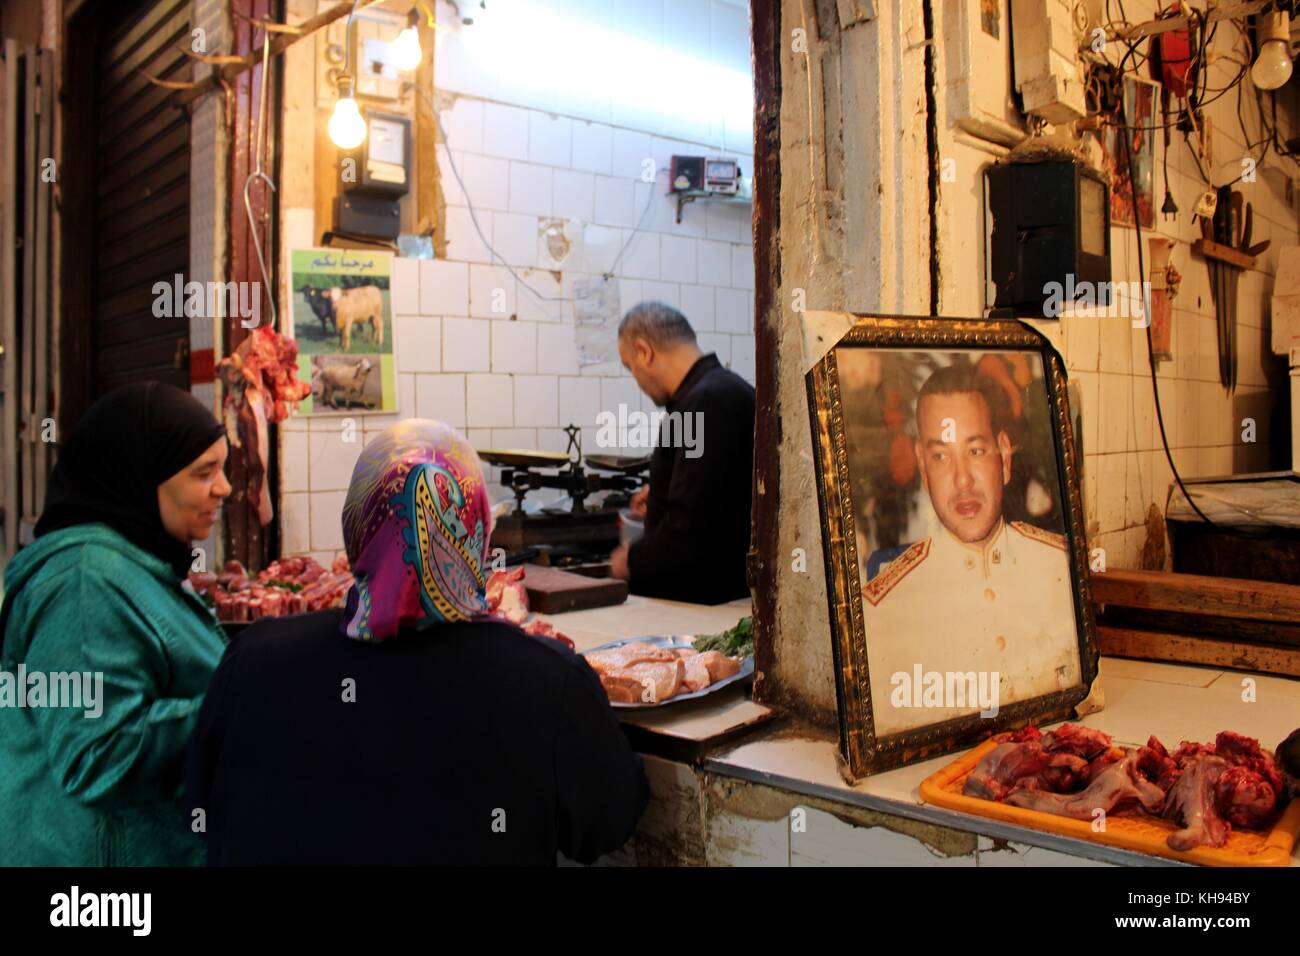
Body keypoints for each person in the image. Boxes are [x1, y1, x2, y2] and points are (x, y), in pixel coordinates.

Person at [186, 420, 649, 865]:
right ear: (479, 528)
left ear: (356, 526)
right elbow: (608, 822)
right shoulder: (548, 683)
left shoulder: (252, 657)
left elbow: (200, 806)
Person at [0, 382, 231, 865]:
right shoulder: (85, 581)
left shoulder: (137, 562)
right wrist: (240, 700)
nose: (224, 488)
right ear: (142, 477)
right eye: (204, 472)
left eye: (222, 469)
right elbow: (97, 756)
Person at [862, 363, 1080, 736]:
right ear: (922, 466)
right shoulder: (887, 604)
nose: (962, 480)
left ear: (1005, 456)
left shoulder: (1060, 569)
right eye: (941, 457)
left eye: (976, 451)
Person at [608, 302, 755, 605]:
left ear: (644, 351)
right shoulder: (728, 390)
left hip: (700, 609)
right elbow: (716, 492)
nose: (636, 379)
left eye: (629, 366)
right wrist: (663, 490)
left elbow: (688, 533)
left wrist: (630, 560)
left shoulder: (700, 405)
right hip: (721, 599)